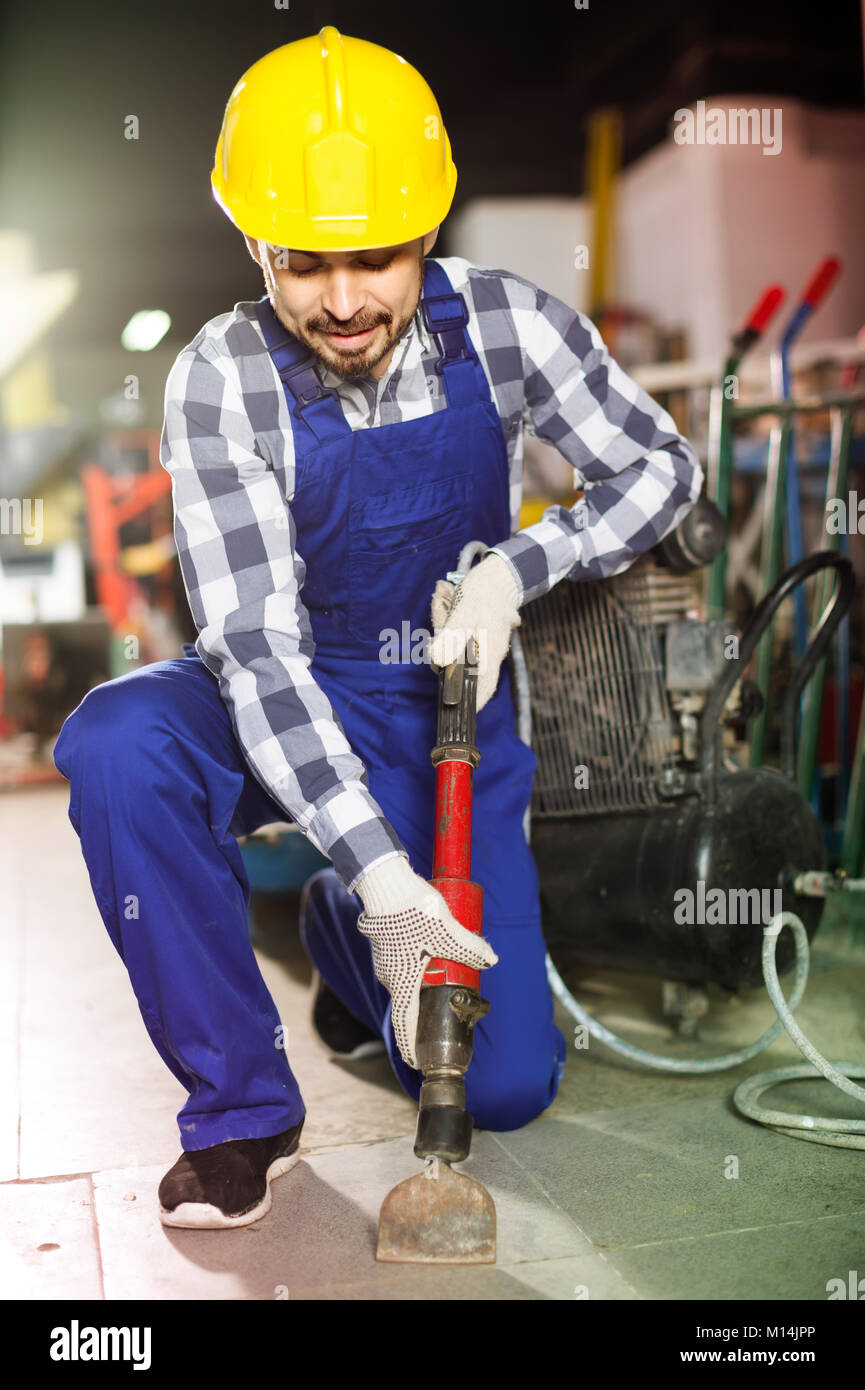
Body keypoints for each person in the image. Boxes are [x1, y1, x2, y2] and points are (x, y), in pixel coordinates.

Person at [53, 26, 704, 1229]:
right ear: (254, 243)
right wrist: (388, 872)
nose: (344, 302)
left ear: (428, 233)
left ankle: (343, 943)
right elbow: (255, 651)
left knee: (501, 1089)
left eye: (377, 260)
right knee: (117, 740)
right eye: (303, 266)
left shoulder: (509, 325)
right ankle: (245, 1111)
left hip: (437, 709)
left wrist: (525, 562)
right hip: (281, 693)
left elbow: (662, 470)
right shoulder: (222, 377)